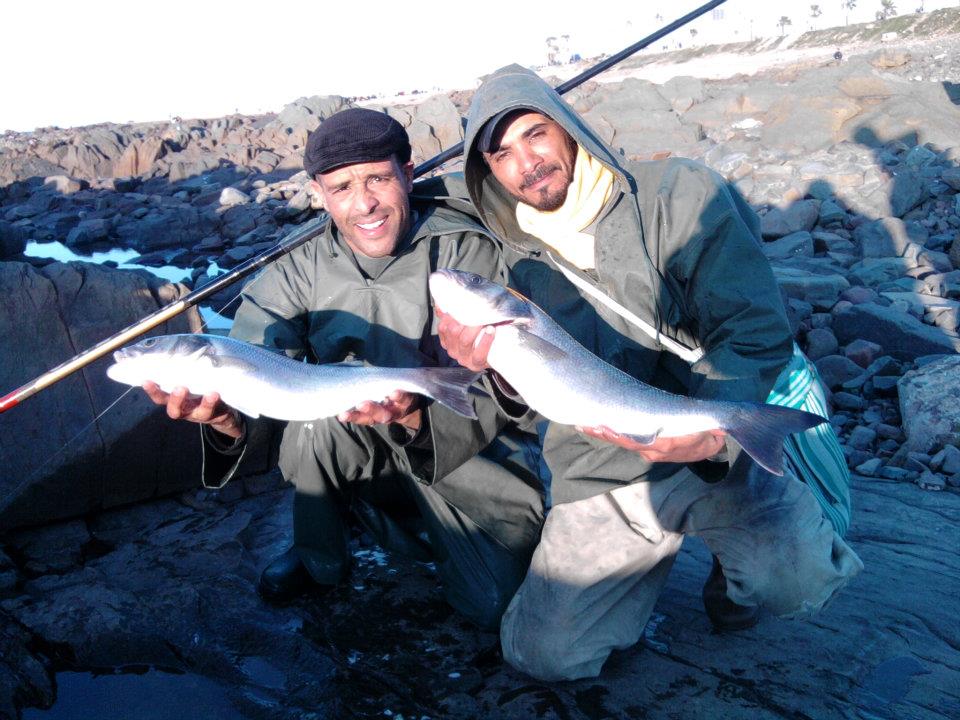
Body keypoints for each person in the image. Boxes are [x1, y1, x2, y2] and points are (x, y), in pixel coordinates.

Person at [435, 64, 863, 680]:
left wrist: (716, 429)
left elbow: (753, 327)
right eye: (500, 154)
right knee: (544, 657)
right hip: (600, 468)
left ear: (566, 127)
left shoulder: (678, 193)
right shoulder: (502, 261)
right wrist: (496, 370)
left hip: (712, 445)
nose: (525, 162)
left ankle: (734, 580)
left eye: (534, 135)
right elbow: (540, 403)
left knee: (795, 583)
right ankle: (626, 591)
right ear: (487, 172)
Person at [143, 107, 544, 631]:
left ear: (408, 171)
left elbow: (511, 389)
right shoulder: (292, 270)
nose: (364, 204)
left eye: (378, 177)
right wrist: (225, 422)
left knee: (491, 604)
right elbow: (253, 370)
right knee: (312, 428)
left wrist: (414, 419)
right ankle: (319, 554)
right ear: (318, 192)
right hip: (351, 432)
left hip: (462, 449)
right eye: (341, 188)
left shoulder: (468, 253)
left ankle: (418, 522)